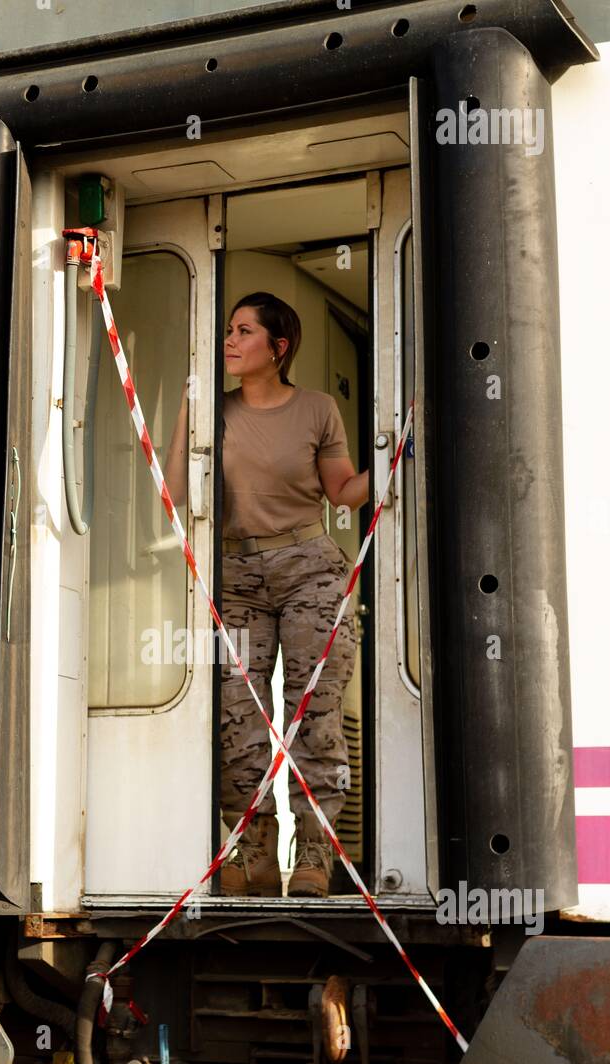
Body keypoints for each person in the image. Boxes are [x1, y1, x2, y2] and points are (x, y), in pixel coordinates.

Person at [165, 291, 369, 896]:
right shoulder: (216, 410)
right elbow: (175, 492)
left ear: (278, 348)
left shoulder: (317, 408)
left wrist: (393, 461)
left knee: (315, 716)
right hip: (239, 576)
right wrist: (187, 407)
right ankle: (255, 849)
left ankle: (313, 857)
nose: (229, 340)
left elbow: (343, 493)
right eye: (228, 330)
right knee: (239, 719)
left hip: (310, 568)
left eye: (244, 331)